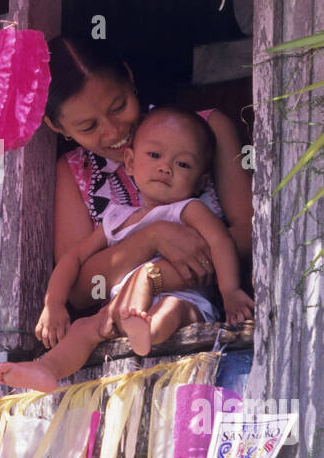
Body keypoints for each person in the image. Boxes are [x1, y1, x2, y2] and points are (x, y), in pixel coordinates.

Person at [0, 107, 253, 392]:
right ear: (130, 163)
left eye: (182, 164)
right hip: (118, 308)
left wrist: (230, 291)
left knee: (172, 308)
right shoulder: (116, 219)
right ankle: (47, 368)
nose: (165, 167)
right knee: (83, 329)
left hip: (184, 300)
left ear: (202, 181)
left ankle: (148, 330)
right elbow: (73, 258)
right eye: (154, 156)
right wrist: (53, 304)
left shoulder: (189, 210)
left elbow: (221, 243)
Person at [41, 35, 253, 329]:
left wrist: (153, 278)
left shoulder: (206, 131)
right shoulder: (73, 174)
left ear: (129, 78)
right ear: (56, 126)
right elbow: (80, 290)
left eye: (118, 106)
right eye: (88, 126)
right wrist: (151, 237)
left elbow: (250, 233)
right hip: (122, 334)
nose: (113, 130)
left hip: (206, 320)